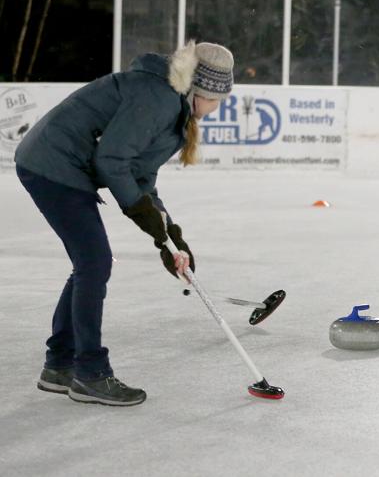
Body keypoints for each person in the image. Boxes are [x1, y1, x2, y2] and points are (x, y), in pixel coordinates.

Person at [14, 41, 234, 406]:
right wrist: (144, 216)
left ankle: (59, 366)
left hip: (59, 165)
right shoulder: (159, 97)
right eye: (218, 99)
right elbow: (112, 159)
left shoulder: (170, 103)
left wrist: (170, 238)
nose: (217, 108)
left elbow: (141, 175)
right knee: (94, 262)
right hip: (53, 164)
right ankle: (89, 372)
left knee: (89, 263)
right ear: (201, 90)